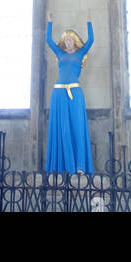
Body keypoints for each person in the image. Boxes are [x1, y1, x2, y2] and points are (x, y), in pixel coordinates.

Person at [45, 15, 94, 173]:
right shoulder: (60, 53)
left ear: (74, 41)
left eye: (70, 40)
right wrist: (50, 23)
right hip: (59, 94)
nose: (68, 42)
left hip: (74, 92)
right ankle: (61, 166)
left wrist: (89, 22)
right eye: (65, 40)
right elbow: (49, 40)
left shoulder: (80, 54)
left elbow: (91, 40)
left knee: (77, 128)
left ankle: (79, 166)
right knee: (63, 130)